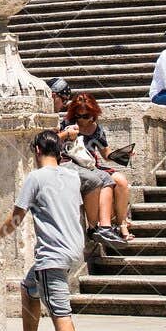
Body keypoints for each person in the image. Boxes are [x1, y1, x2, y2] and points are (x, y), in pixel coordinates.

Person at [0, 130, 89, 331]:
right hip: (73, 251)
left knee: (61, 313)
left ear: (37, 150)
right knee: (28, 288)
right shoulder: (72, 176)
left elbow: (16, 218)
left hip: (52, 255)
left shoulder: (36, 178)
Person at [58, 92, 133, 244]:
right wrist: (67, 134)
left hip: (90, 164)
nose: (81, 120)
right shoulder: (67, 124)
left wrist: (123, 154)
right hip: (73, 163)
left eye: (86, 116)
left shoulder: (97, 130)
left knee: (121, 181)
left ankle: (121, 225)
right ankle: (102, 227)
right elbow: (52, 140)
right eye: (78, 116)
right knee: (105, 179)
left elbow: (106, 154)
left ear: (93, 114)